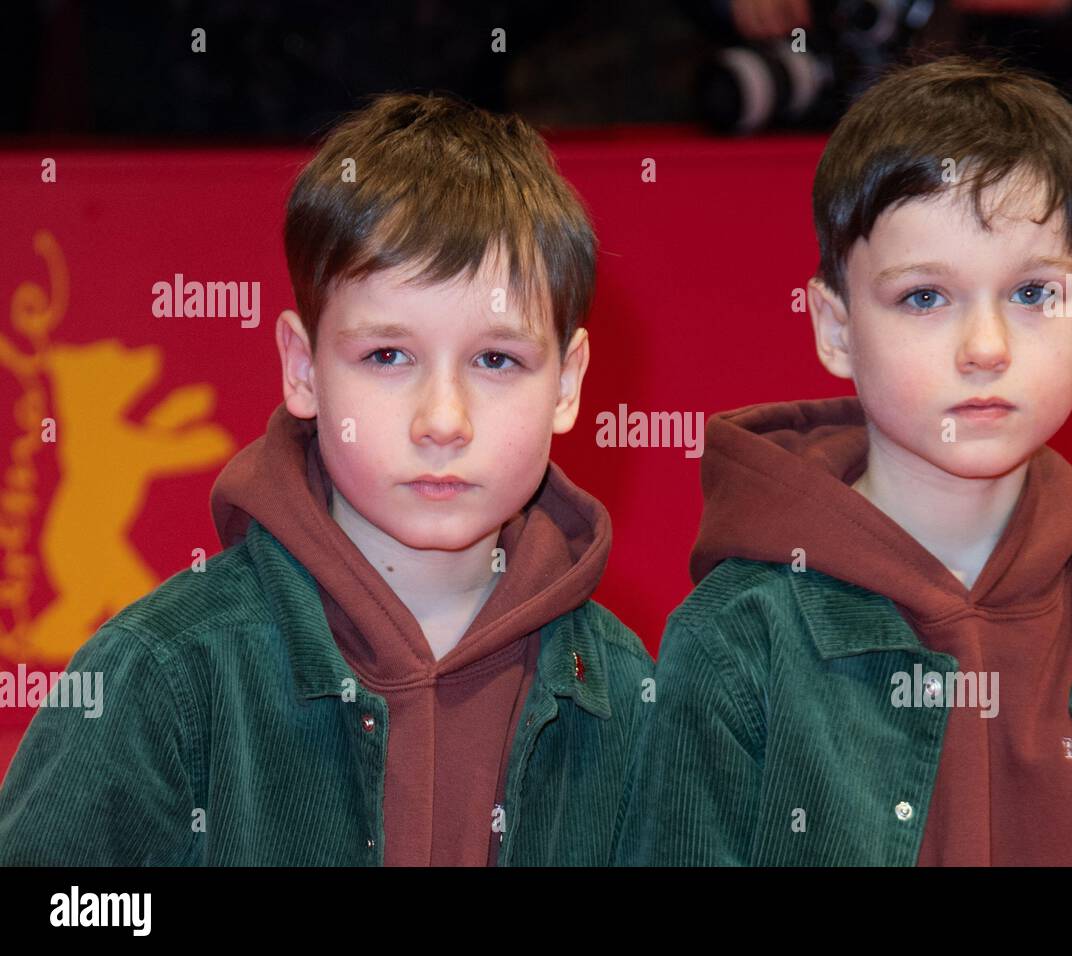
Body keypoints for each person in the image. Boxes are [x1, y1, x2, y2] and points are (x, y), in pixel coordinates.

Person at [615, 55, 1072, 866]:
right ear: (835, 326)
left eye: (1032, 294)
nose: (986, 348)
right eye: (925, 297)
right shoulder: (738, 642)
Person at [0, 92, 652, 866]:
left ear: (569, 384)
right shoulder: (163, 675)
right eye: (387, 356)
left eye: (496, 360)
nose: (443, 419)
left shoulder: (628, 694)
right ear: (303, 369)